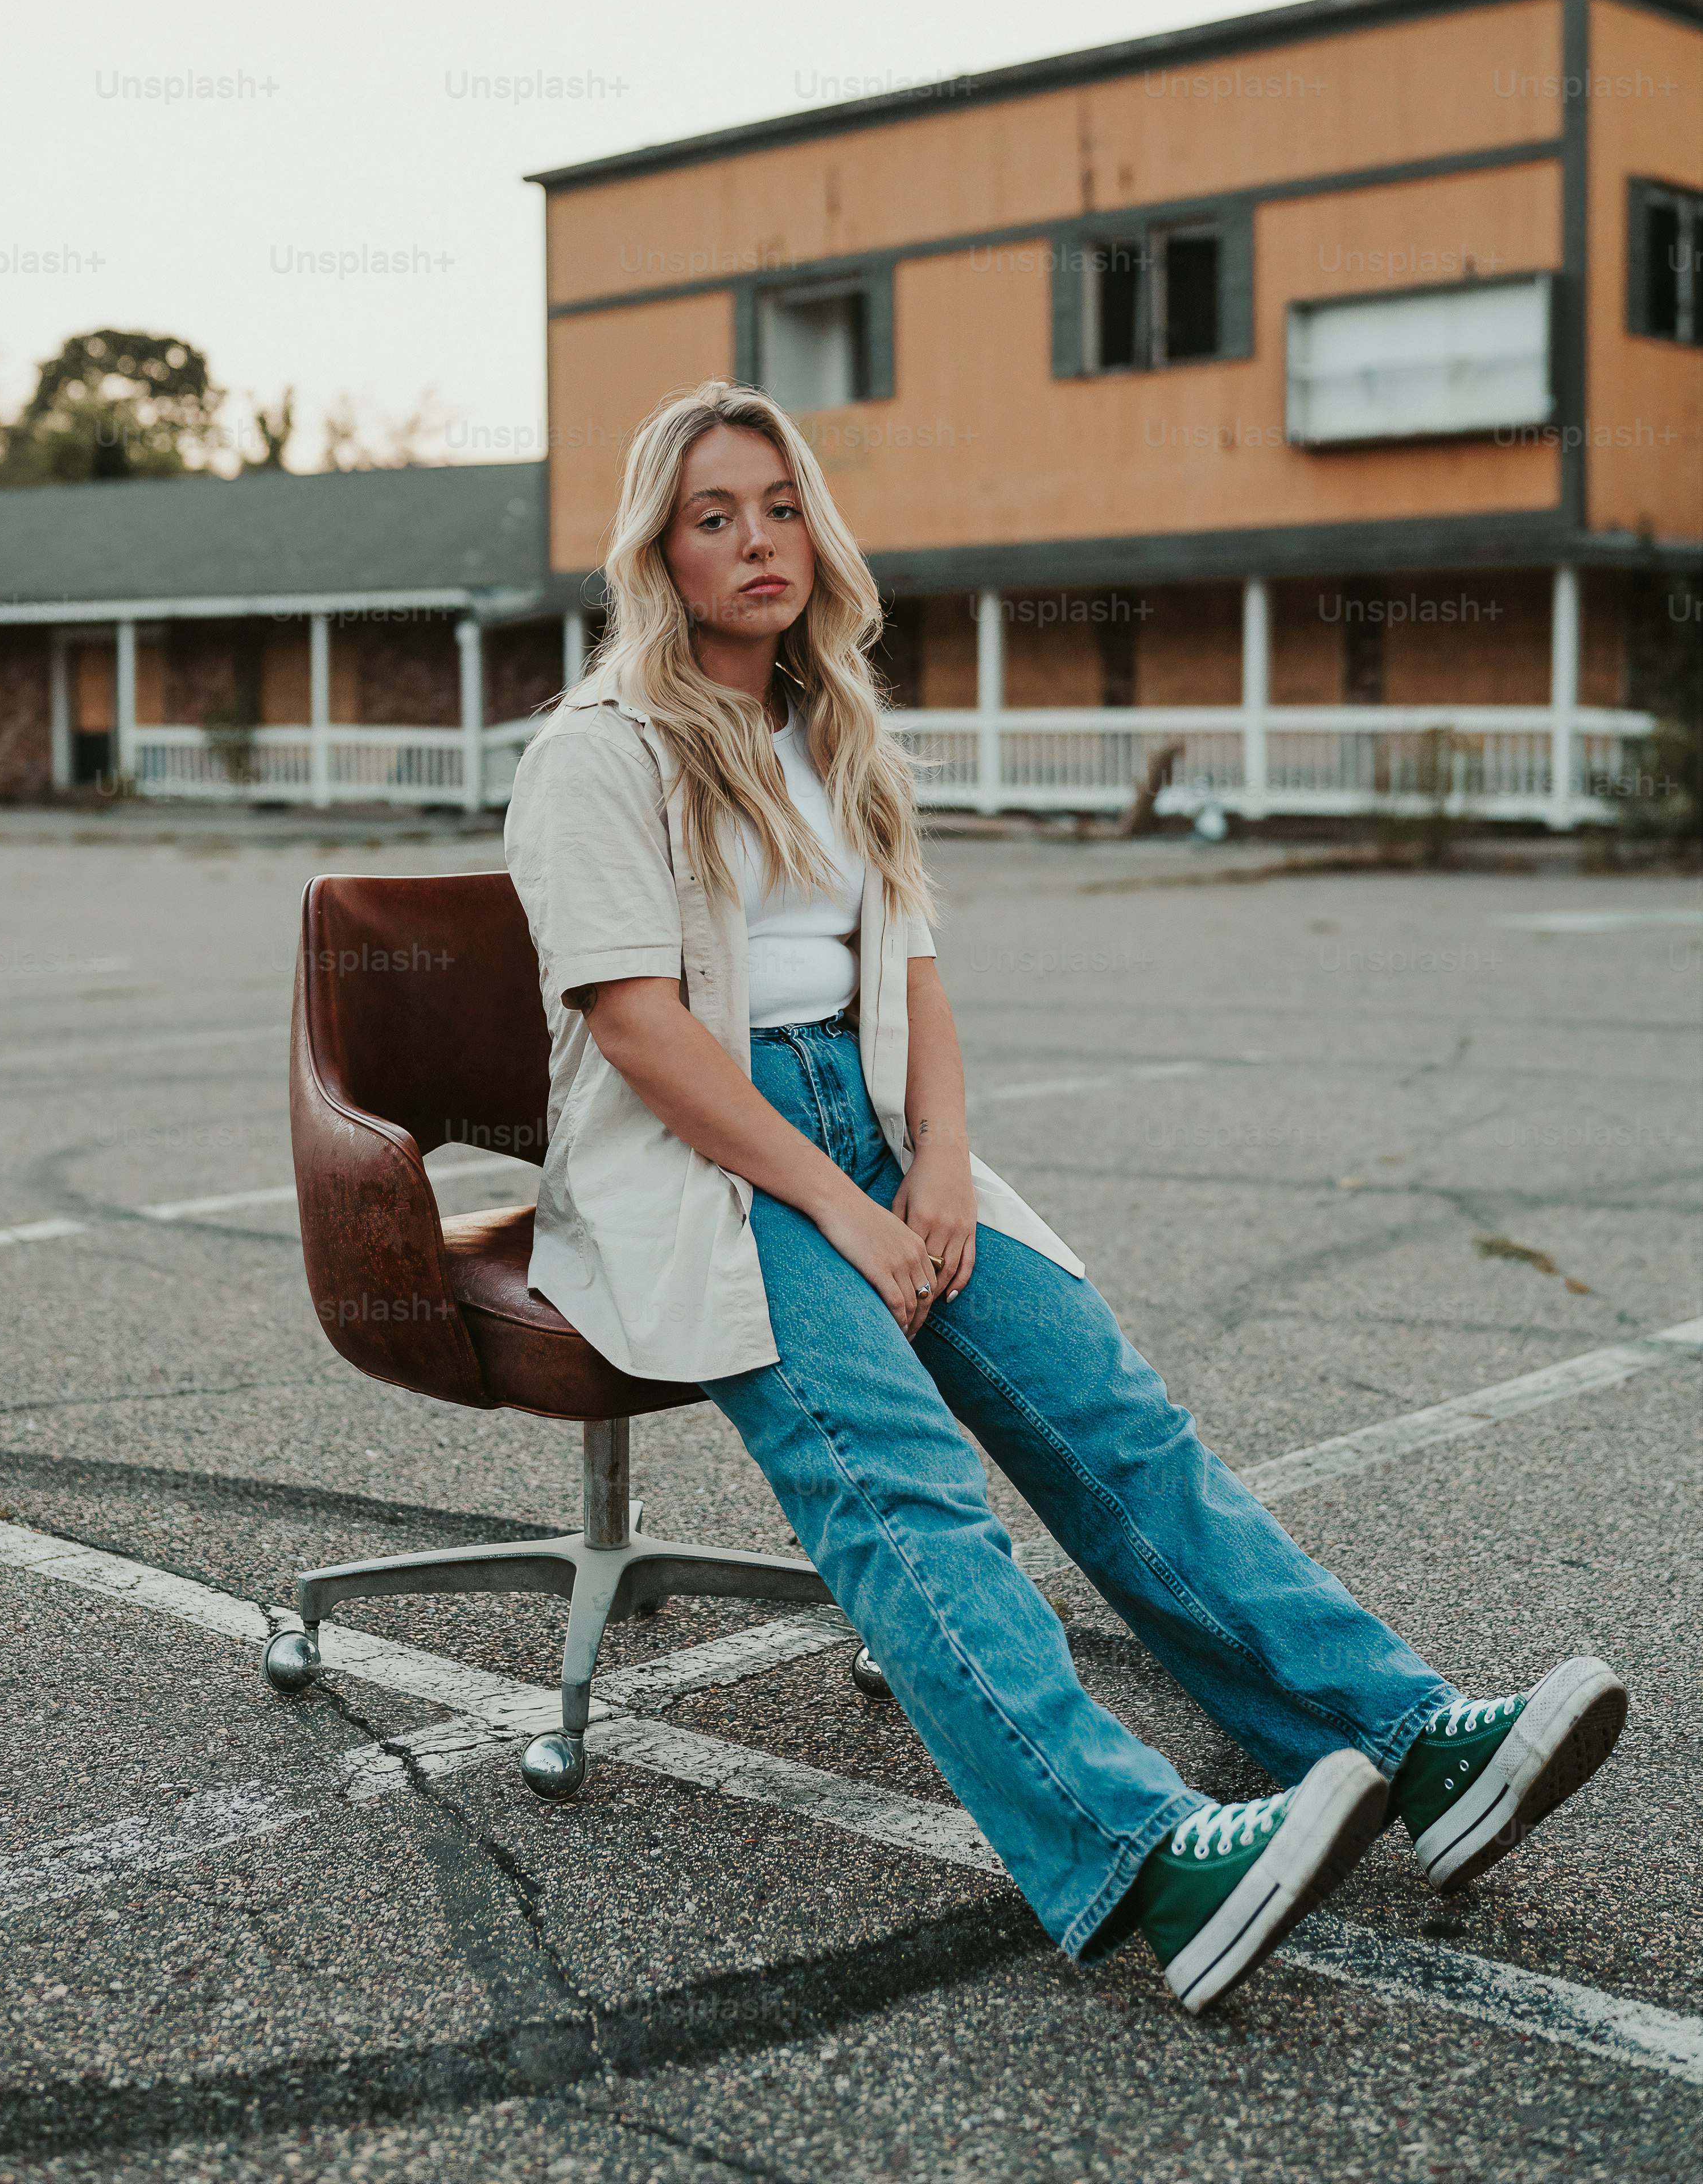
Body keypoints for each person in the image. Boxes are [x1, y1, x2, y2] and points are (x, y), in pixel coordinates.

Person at [502, 380, 1627, 2016]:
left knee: (1113, 1420)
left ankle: (1410, 1747)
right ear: (655, 554)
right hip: (716, 1162)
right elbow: (640, 1029)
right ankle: (1146, 1860)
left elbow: (915, 972)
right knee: (902, 1485)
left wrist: (941, 1167)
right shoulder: (600, 750)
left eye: (778, 505)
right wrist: (849, 1209)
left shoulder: (834, 734)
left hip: (880, 1131)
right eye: (710, 516)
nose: (756, 541)